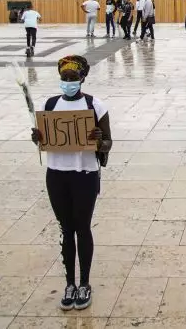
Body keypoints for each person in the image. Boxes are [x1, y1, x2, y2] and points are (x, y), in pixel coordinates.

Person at [31, 55, 113, 311]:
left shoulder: (94, 105)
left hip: (84, 174)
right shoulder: (51, 103)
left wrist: (99, 140)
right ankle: (70, 283)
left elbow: (108, 142)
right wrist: (38, 137)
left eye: (73, 78)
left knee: (82, 227)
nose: (68, 82)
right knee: (65, 229)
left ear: (82, 79)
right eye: (64, 78)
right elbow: (45, 139)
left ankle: (85, 282)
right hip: (56, 174)